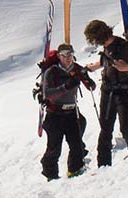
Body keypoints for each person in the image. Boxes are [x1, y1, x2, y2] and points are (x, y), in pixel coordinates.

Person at [81, 19, 128, 165]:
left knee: (125, 126)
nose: (94, 42)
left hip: (123, 92)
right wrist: (94, 66)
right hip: (107, 91)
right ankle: (103, 164)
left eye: (93, 39)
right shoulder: (107, 47)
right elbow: (108, 61)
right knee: (105, 128)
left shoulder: (124, 47)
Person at [38, 44, 92, 180]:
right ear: (58, 56)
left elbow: (91, 86)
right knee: (54, 147)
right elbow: (47, 94)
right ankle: (50, 175)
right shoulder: (52, 72)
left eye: (70, 54)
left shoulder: (76, 69)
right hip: (55, 114)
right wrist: (66, 87)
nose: (68, 58)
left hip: (72, 112)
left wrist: (87, 80)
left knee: (76, 144)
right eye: (64, 55)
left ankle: (75, 171)